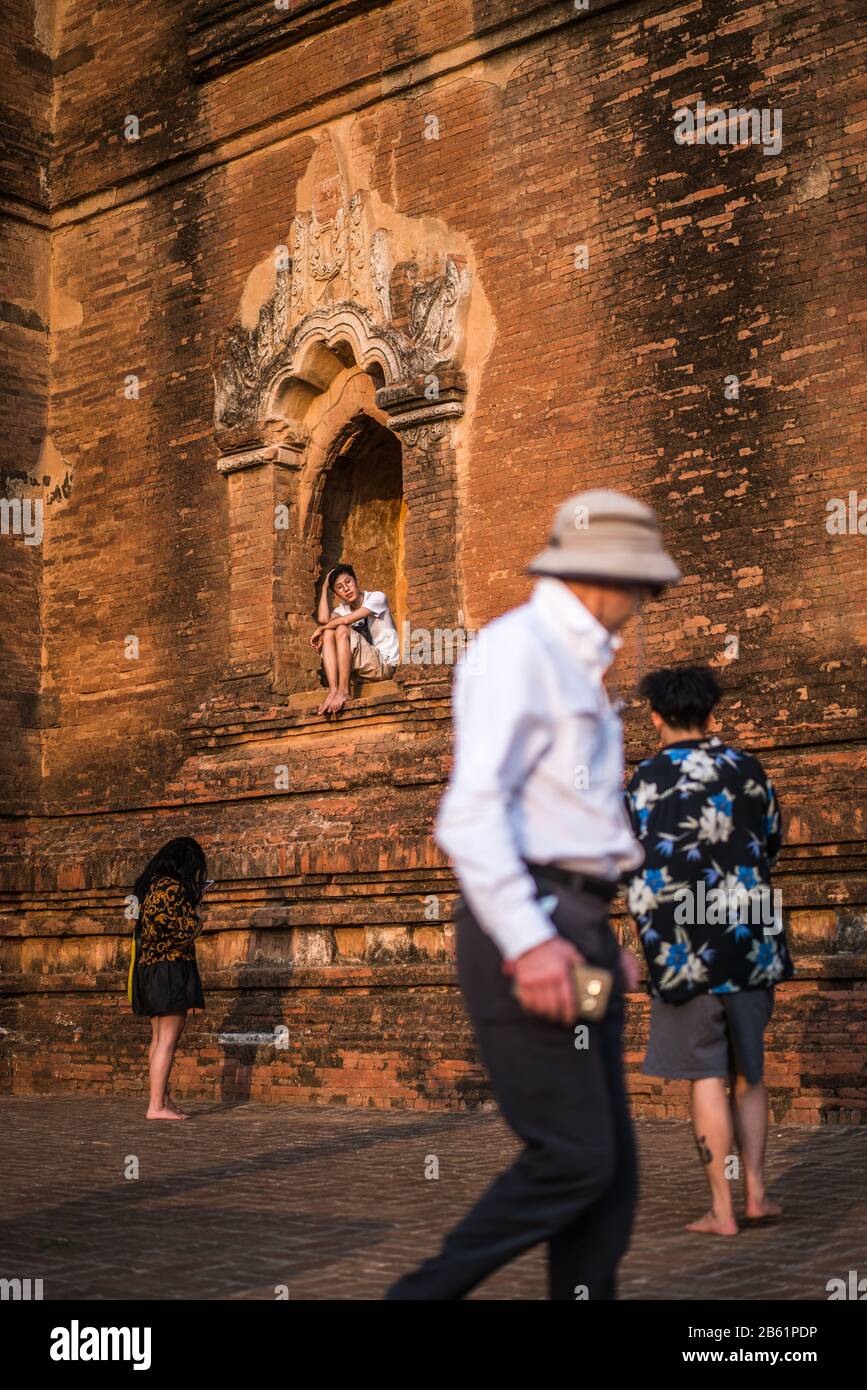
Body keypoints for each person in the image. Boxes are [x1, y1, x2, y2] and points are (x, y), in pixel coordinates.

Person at [386, 490, 681, 1301]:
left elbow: (563, 818)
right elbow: (471, 813)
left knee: (609, 1181)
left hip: (571, 925)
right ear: (603, 577)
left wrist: (591, 934)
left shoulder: (572, 662)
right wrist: (535, 938)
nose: (644, 606)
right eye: (641, 587)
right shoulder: (519, 651)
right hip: (528, 930)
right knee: (573, 1158)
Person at [624, 665, 794, 1235]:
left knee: (705, 1076)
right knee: (749, 1074)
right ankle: (758, 1195)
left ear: (655, 716)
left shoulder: (644, 781)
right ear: (711, 711)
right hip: (748, 941)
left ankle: (721, 1209)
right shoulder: (747, 770)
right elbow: (770, 841)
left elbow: (623, 859)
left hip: (681, 949)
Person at [128, 836, 209, 1121]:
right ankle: (156, 1106)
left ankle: (161, 1100)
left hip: (150, 970)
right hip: (171, 969)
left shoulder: (149, 885)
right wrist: (198, 913)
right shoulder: (172, 888)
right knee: (167, 1041)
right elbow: (179, 933)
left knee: (158, 1039)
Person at [310, 564, 400, 716]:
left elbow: (347, 620)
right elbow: (324, 619)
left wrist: (320, 629)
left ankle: (344, 691)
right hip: (359, 673)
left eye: (348, 582)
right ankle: (334, 690)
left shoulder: (377, 598)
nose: (346, 588)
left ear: (356, 581)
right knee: (330, 633)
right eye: (339, 587)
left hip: (384, 666)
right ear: (337, 594)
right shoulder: (342, 609)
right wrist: (325, 587)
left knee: (341, 629)